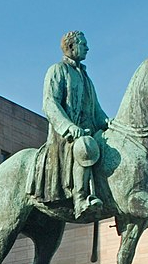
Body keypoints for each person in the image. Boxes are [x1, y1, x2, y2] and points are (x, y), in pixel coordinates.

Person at [30, 31, 109, 219]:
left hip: (88, 129)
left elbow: (96, 109)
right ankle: (81, 199)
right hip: (66, 134)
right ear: (71, 46)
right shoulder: (57, 70)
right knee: (85, 146)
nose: (87, 48)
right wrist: (69, 127)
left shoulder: (85, 77)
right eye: (84, 44)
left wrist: (107, 122)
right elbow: (50, 103)